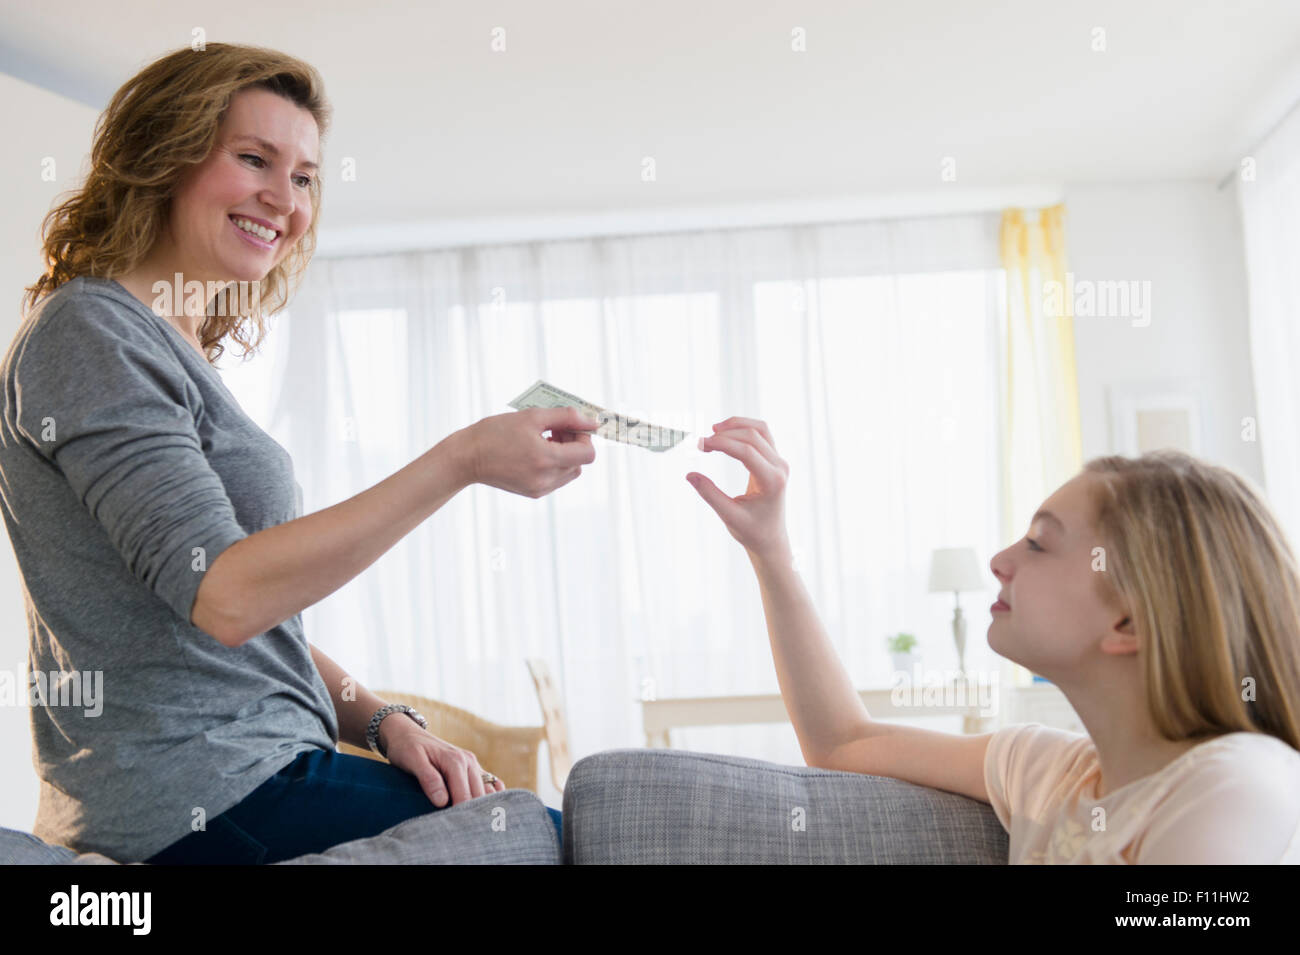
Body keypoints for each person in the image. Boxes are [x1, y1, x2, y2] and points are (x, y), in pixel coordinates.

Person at [0, 43, 595, 864]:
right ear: (163, 158)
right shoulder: (91, 332)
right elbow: (228, 596)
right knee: (538, 834)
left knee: (531, 823)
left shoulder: (171, 350)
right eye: (255, 159)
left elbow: (242, 623)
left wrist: (385, 722)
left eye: (307, 177)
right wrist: (461, 459)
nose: (285, 199)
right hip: (194, 793)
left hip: (258, 770)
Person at [686, 417, 1300, 863]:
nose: (1001, 561)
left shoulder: (1238, 782)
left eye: (1038, 543)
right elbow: (842, 741)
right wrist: (771, 552)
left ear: (1129, 624)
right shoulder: (1048, 772)